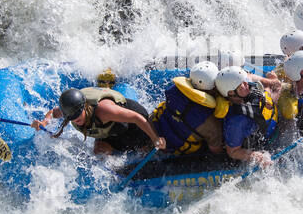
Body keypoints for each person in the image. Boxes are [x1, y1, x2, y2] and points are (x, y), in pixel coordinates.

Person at [32, 86, 165, 155]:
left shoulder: (104, 110)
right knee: (99, 153)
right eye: (72, 118)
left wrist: (155, 138)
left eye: (78, 116)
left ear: (84, 107)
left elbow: (137, 118)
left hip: (132, 124)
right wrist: (43, 122)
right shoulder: (69, 109)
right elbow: (52, 113)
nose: (76, 120)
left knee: (144, 150)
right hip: (111, 130)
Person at [150, 61, 226, 156]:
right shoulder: (211, 123)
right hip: (174, 147)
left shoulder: (176, 89)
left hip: (154, 125)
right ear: (214, 86)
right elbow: (215, 149)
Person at [214, 65, 281, 167]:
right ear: (231, 93)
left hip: (269, 116)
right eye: (242, 84)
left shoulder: (244, 86)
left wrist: (272, 82)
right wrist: (258, 157)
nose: (247, 84)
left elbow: (250, 77)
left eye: (244, 80)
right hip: (264, 138)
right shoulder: (236, 122)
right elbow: (233, 151)